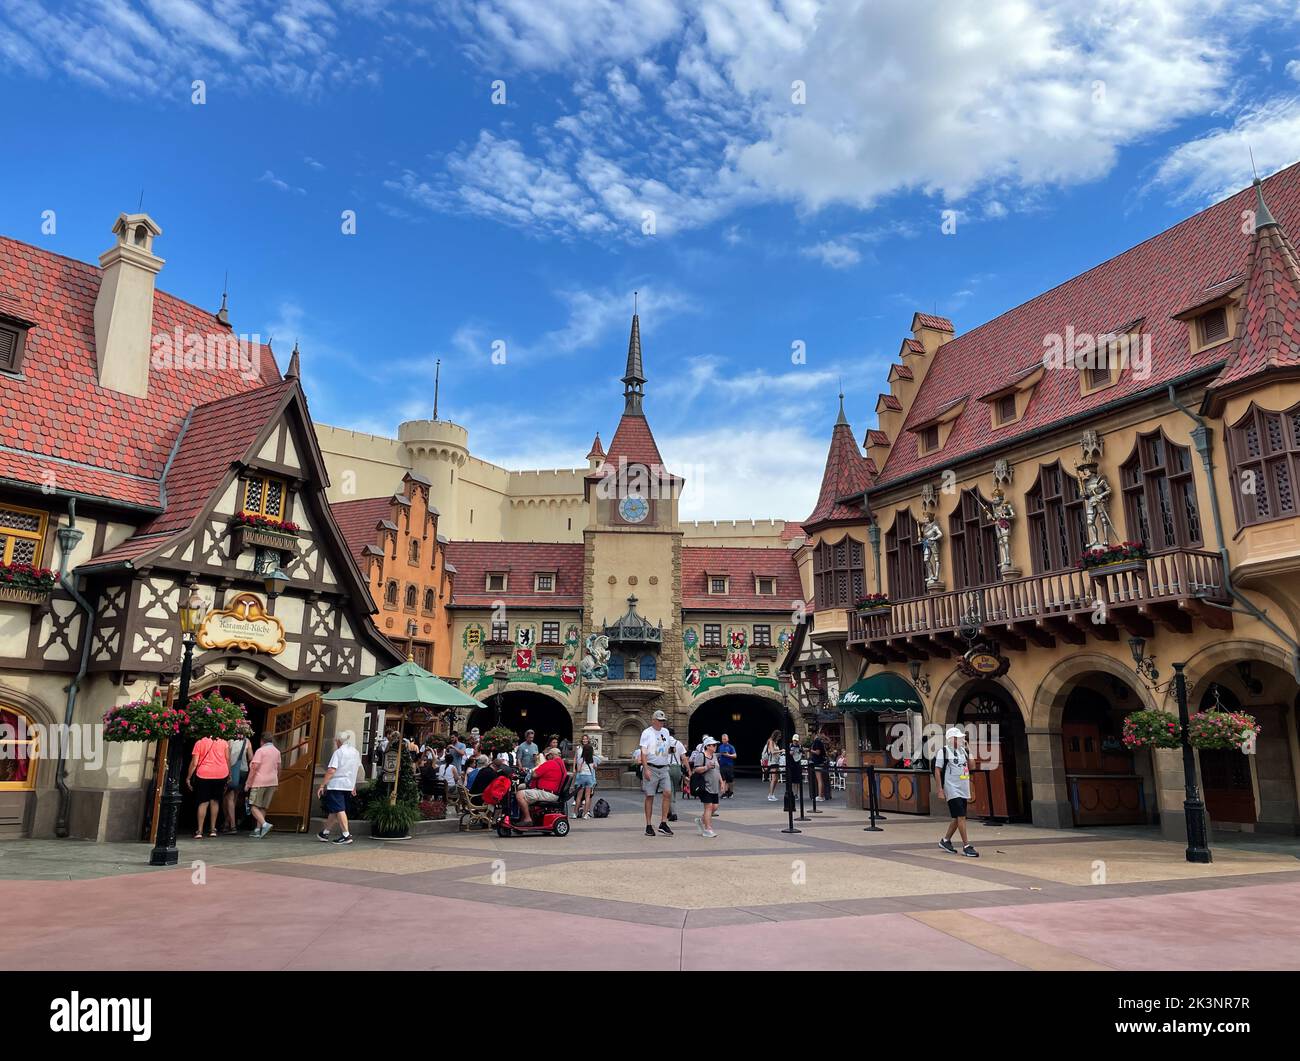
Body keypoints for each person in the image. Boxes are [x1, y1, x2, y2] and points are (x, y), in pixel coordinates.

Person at [934, 727, 978, 857]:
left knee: (957, 817)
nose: (962, 740)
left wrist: (969, 750)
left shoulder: (963, 751)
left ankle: (945, 841)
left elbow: (972, 766)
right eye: (958, 738)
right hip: (952, 788)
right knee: (961, 816)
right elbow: (937, 770)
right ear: (951, 739)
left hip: (963, 787)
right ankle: (966, 845)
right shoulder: (943, 751)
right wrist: (940, 789)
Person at [638, 710, 682, 837]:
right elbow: (644, 751)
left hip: (664, 767)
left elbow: (666, 747)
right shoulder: (647, 733)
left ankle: (663, 822)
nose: (662, 723)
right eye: (659, 720)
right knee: (650, 796)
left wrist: (671, 750)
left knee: (668, 792)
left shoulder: (666, 732)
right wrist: (645, 768)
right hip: (651, 767)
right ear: (653, 720)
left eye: (663, 721)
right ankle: (648, 825)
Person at [317, 730, 362, 845]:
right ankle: (325, 832)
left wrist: (322, 784)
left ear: (339, 741)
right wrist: (353, 786)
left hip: (337, 784)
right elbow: (355, 770)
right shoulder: (355, 752)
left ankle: (346, 835)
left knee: (339, 809)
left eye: (336, 741)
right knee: (335, 809)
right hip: (348, 785)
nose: (335, 743)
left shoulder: (339, 752)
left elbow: (332, 770)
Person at [185, 729, 230, 839]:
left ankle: (199, 830)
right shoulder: (224, 743)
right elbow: (228, 759)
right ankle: (213, 829)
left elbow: (194, 763)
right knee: (215, 801)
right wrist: (230, 774)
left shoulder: (199, 743)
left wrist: (188, 777)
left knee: (203, 802)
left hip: (204, 774)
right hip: (221, 774)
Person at [515, 747, 567, 826]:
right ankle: (529, 817)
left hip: (548, 793)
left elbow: (534, 774)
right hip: (553, 792)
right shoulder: (561, 764)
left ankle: (527, 819)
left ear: (551, 755)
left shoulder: (550, 763)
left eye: (548, 756)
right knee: (525, 790)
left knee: (519, 795)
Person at [245, 732, 280, 838]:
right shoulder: (277, 751)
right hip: (272, 781)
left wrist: (248, 783)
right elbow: (279, 767)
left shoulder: (260, 751)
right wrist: (277, 780)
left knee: (253, 806)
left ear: (262, 741)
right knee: (263, 807)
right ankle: (258, 830)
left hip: (259, 781)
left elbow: (254, 767)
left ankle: (265, 825)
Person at [689, 736, 723, 837]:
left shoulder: (715, 756)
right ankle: (708, 829)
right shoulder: (701, 756)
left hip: (714, 786)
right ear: (707, 746)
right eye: (713, 745)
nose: (715, 746)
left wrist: (721, 782)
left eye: (716, 745)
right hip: (705, 785)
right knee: (708, 807)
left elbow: (717, 770)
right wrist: (706, 767)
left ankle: (701, 820)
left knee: (715, 807)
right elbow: (696, 769)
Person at [221, 731, 251, 832]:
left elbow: (227, 758)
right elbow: (251, 757)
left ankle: (232, 825)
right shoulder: (247, 741)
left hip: (232, 770)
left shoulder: (229, 742)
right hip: (243, 771)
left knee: (228, 798)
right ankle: (226, 822)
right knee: (235, 798)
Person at [572, 734, 600, 818]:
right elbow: (595, 767)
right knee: (588, 796)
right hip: (589, 778)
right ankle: (585, 814)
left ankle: (575, 813)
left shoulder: (581, 759)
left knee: (579, 797)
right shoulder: (593, 759)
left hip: (581, 778)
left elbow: (579, 769)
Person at [665, 727, 686, 821]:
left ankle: (673, 813)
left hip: (667, 768)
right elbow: (684, 758)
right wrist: (689, 770)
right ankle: (670, 811)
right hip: (677, 768)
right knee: (673, 791)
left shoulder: (663, 743)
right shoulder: (679, 743)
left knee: (669, 792)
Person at [762, 729, 783, 801]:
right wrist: (781, 750)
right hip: (772, 762)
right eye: (779, 736)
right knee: (773, 778)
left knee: (776, 779)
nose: (779, 738)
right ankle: (770, 795)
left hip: (776, 761)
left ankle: (772, 794)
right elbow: (772, 751)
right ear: (776, 735)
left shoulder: (775, 742)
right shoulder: (770, 741)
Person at [809, 728, 829, 801]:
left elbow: (817, 752)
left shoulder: (817, 742)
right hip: (819, 761)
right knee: (820, 779)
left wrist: (810, 750)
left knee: (819, 779)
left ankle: (820, 795)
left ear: (815, 734)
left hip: (818, 762)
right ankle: (821, 795)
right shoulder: (819, 741)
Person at [717, 733, 737, 798]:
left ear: (728, 739)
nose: (724, 740)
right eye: (723, 739)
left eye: (725, 739)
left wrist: (728, 755)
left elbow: (735, 755)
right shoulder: (720, 747)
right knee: (723, 779)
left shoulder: (731, 747)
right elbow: (718, 754)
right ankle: (724, 792)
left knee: (730, 780)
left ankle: (731, 792)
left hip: (729, 765)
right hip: (722, 765)